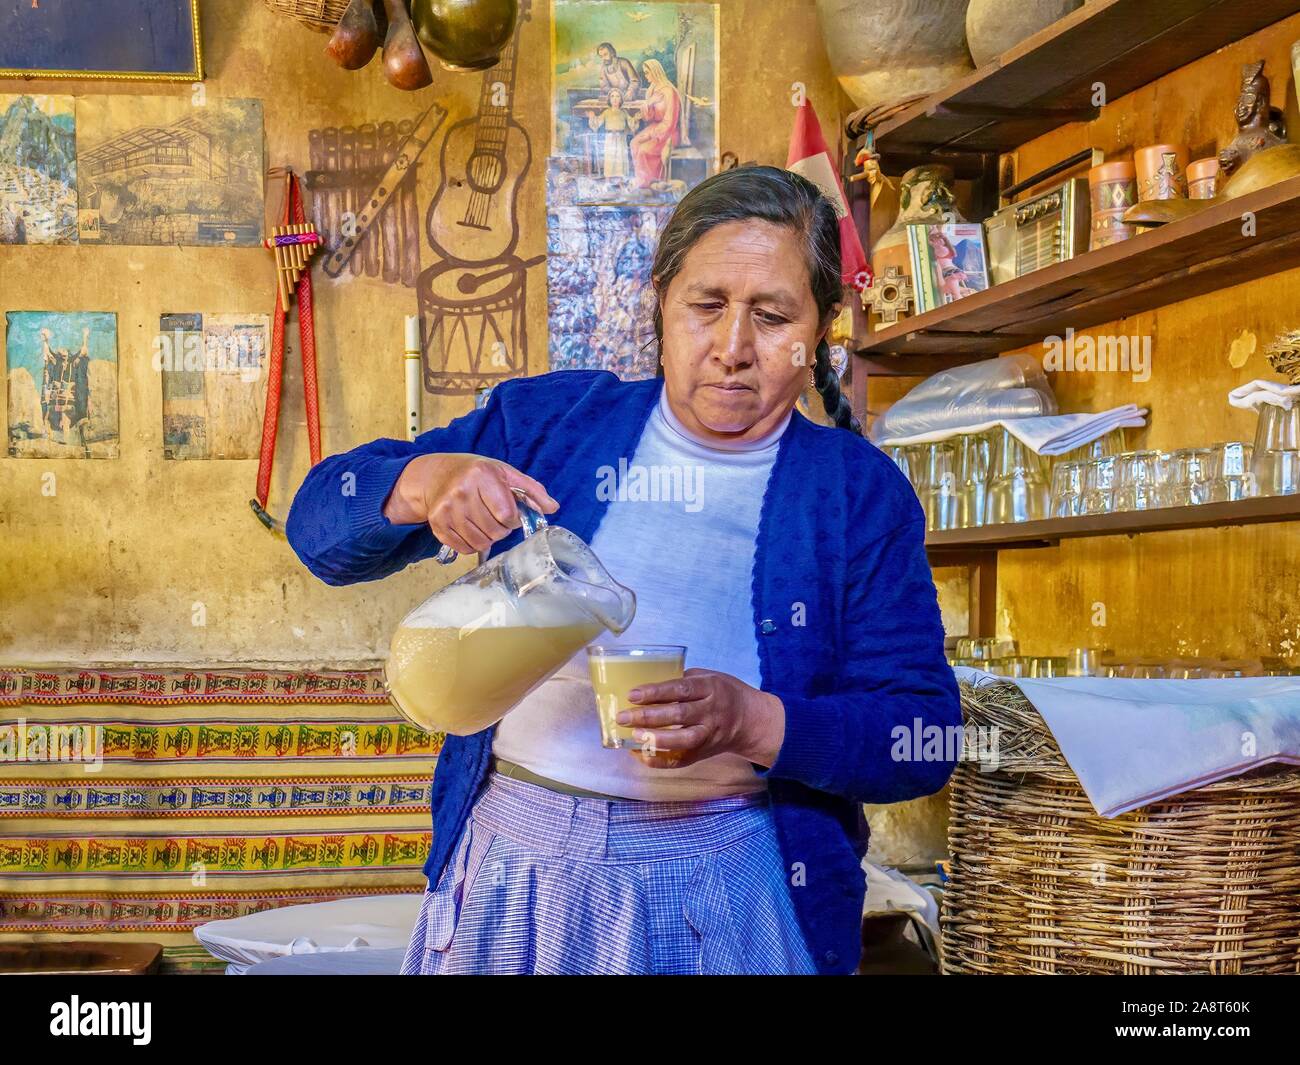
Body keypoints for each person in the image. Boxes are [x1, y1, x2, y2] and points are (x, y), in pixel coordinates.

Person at [286, 165, 960, 975]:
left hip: (731, 883)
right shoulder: (550, 424)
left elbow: (923, 736)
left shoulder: (855, 493)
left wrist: (754, 722)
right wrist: (420, 482)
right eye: (705, 306)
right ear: (661, 306)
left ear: (817, 331)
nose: (734, 347)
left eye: (773, 315)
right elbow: (316, 527)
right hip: (516, 869)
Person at [630, 59, 682, 188]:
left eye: (648, 73)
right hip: (655, 127)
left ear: (655, 71)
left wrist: (651, 135)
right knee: (634, 143)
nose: (646, 76)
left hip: (669, 132)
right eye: (645, 73)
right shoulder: (652, 90)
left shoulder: (669, 91)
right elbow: (649, 118)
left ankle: (650, 183)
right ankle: (641, 180)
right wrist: (648, 103)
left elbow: (671, 121)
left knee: (643, 150)